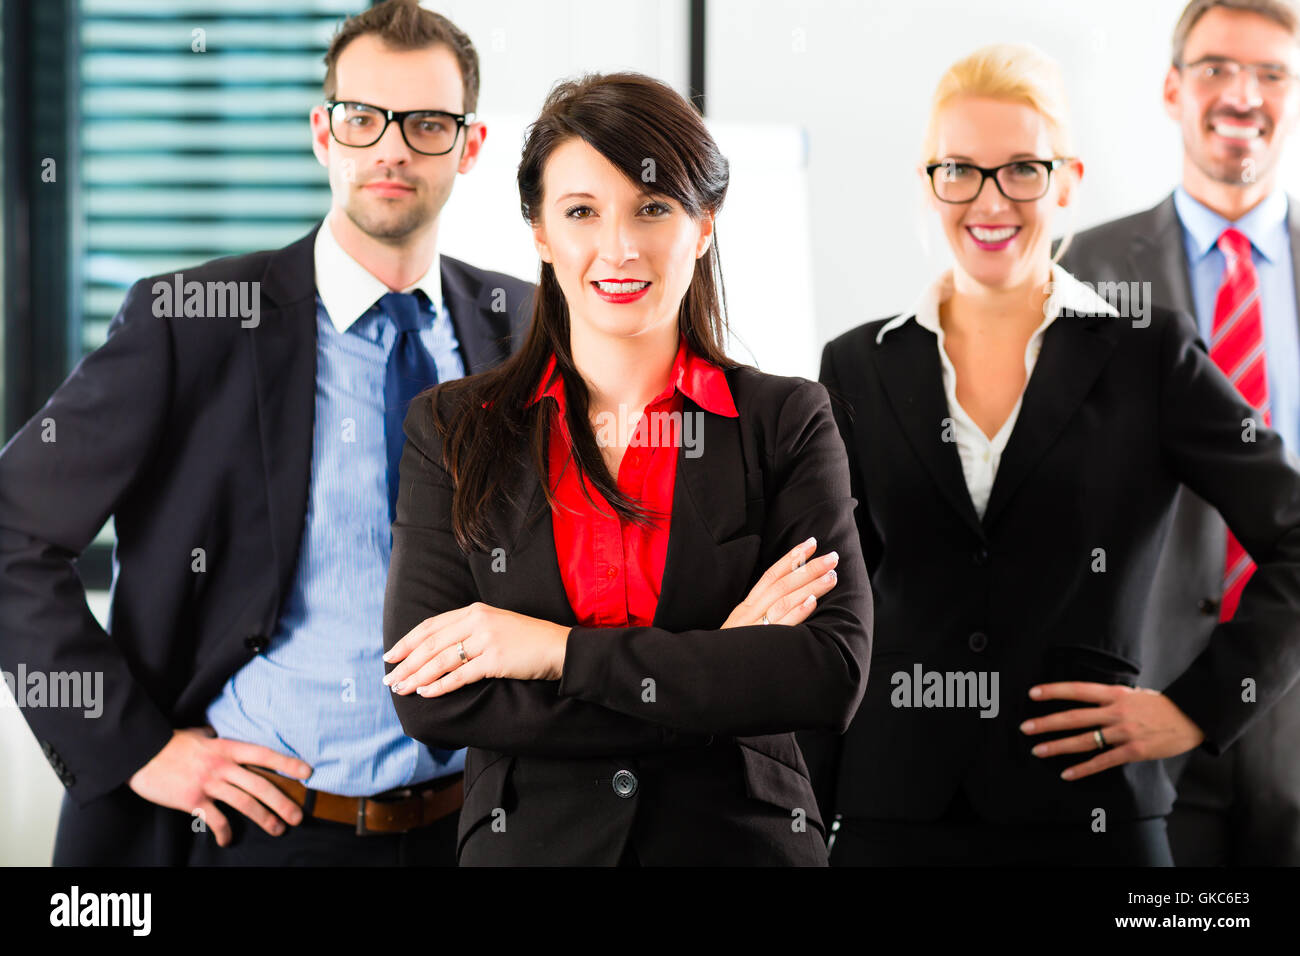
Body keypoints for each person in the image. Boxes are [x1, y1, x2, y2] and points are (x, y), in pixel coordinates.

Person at [0, 0, 533, 866]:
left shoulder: (525, 324)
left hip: (480, 832)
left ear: (469, 146)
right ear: (324, 133)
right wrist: (137, 747)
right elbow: (10, 528)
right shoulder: (194, 323)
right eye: (364, 119)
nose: (391, 148)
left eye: (428, 124)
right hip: (266, 833)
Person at [801, 42, 1300, 866]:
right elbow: (832, 602)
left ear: (1065, 181)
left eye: (1021, 170)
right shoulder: (857, 365)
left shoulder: (1148, 353)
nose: (988, 199)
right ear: (929, 183)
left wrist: (1197, 709)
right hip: (894, 812)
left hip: (1092, 813)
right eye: (959, 169)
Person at [381, 71, 872, 866]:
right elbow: (430, 693)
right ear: (539, 232)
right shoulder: (451, 429)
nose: (621, 247)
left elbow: (825, 673)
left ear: (703, 224)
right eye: (582, 212)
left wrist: (552, 651)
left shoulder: (786, 420)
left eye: (653, 208)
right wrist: (717, 661)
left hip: (739, 848)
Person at [1061, 0, 1300, 865]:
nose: (1243, 92)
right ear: (1171, 88)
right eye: (1216, 67)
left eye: (1271, 72)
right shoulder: (1086, 268)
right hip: (1138, 696)